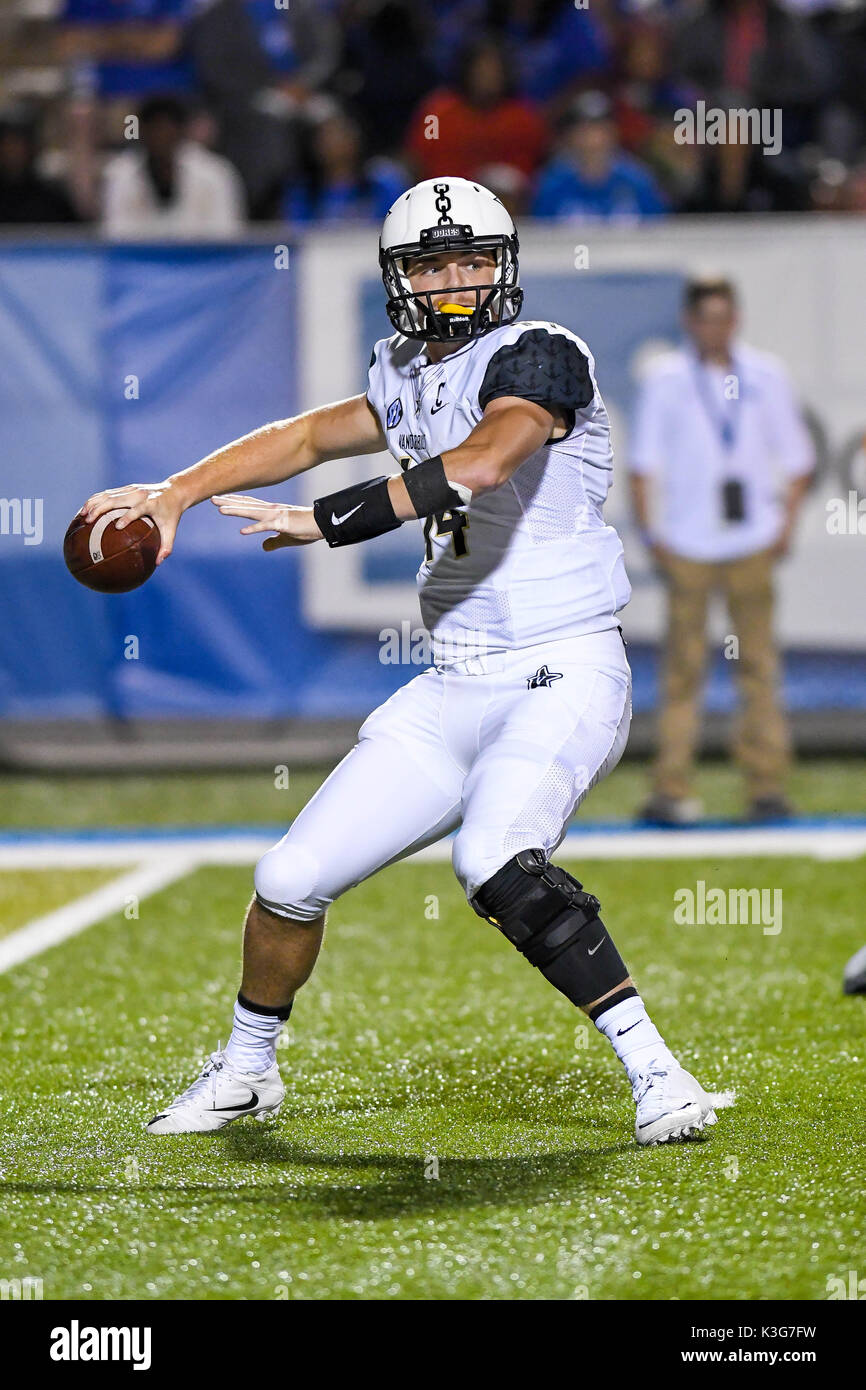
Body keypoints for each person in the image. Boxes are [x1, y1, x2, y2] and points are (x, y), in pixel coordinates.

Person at [80, 177, 733, 1146]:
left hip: (561, 669)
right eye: (433, 263)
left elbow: (481, 462)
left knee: (492, 860)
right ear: (400, 277)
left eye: (473, 258)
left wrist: (324, 520)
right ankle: (247, 1072)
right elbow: (302, 434)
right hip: (453, 681)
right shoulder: (398, 369)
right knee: (290, 875)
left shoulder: (542, 354)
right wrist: (177, 490)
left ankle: (659, 1073)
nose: (457, 279)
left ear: (503, 266)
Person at [629, 276, 814, 825]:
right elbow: (643, 465)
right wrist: (650, 534)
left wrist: (785, 526)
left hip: (752, 540)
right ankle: (671, 788)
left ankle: (766, 787)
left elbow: (798, 460)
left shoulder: (766, 375)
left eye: (724, 317)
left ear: (737, 319)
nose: (716, 328)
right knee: (683, 669)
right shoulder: (665, 379)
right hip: (686, 543)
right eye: (706, 317)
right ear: (690, 322)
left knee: (757, 665)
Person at [404, 36, 548, 184]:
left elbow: (533, 172)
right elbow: (416, 159)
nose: (487, 76)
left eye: (494, 70)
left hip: (501, 203)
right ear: (466, 70)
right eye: (480, 69)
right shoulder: (436, 114)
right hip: (442, 198)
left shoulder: (524, 119)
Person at [102, 93, 246, 238]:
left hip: (204, 259)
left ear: (181, 132)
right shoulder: (119, 174)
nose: (161, 137)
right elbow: (115, 235)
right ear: (142, 133)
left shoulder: (215, 173)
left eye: (167, 130)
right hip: (138, 259)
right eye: (154, 130)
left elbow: (226, 235)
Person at [531, 90, 668, 221]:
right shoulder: (553, 184)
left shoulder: (637, 181)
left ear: (614, 133)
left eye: (601, 129)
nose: (594, 139)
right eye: (585, 130)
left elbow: (659, 229)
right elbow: (541, 234)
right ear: (571, 135)